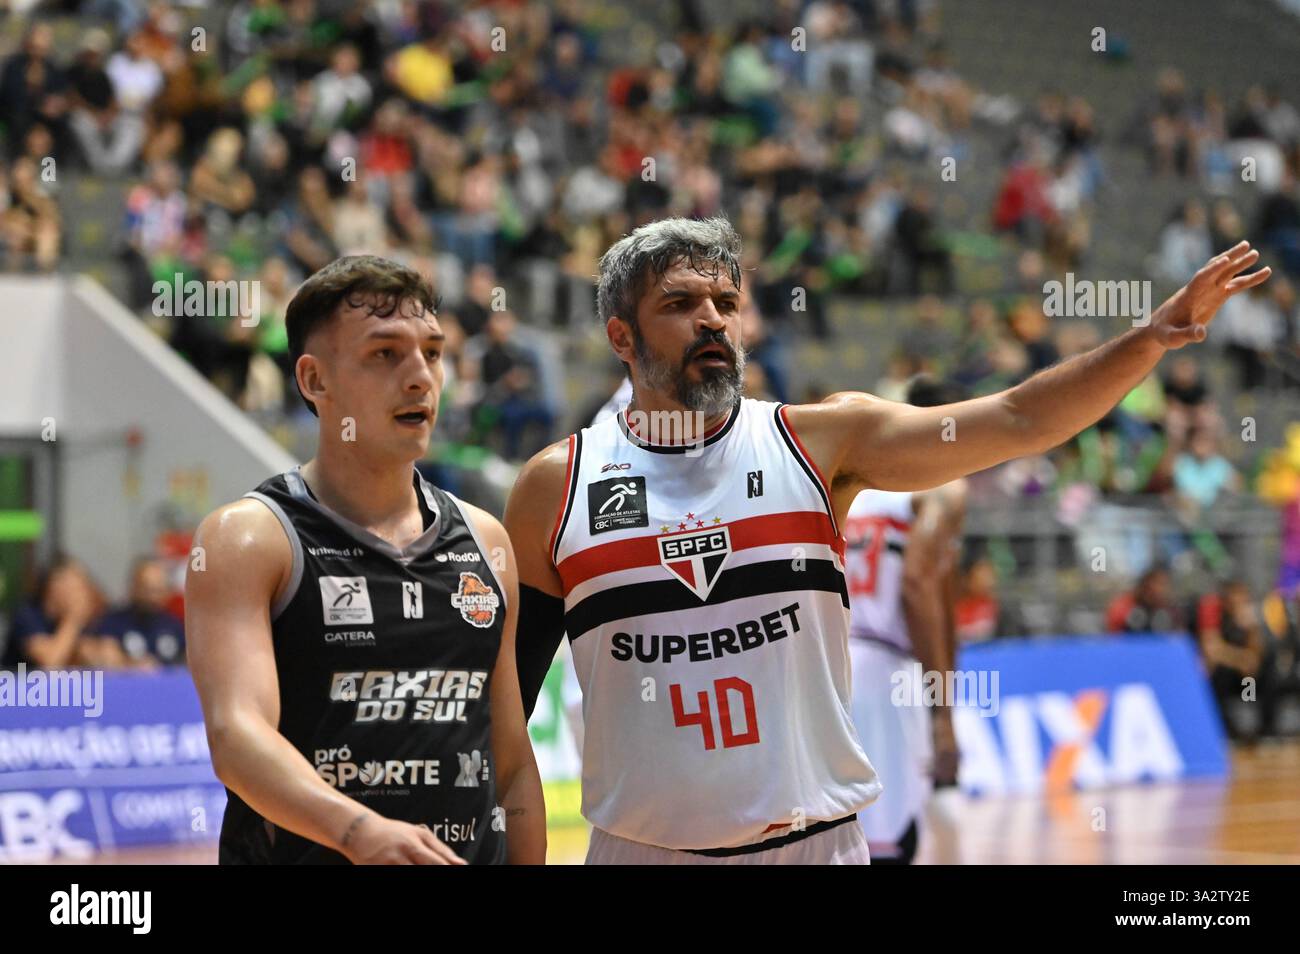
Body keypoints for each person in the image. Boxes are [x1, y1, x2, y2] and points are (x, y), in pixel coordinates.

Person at [504, 216, 1269, 865]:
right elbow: (505, 715)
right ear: (620, 335)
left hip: (814, 844)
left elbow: (1019, 419)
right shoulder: (556, 486)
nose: (712, 319)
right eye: (680, 303)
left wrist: (1147, 342)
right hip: (640, 850)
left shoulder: (822, 441)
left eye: (726, 301)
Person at [185, 255, 544, 865]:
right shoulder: (247, 539)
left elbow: (509, 760)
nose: (420, 377)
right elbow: (237, 738)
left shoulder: (486, 540)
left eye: (432, 353)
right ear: (314, 381)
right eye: (386, 354)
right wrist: (358, 833)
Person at [844, 375, 968, 864]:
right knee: (889, 839)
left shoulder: (859, 482)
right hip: (882, 668)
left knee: (837, 831)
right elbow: (919, 587)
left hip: (823, 659)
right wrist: (942, 711)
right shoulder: (943, 488)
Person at [94, 556, 186, 668]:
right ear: (133, 587)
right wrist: (127, 664)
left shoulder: (175, 626)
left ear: (167, 591)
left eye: (157, 590)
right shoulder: (113, 623)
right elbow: (101, 654)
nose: (152, 597)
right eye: (146, 589)